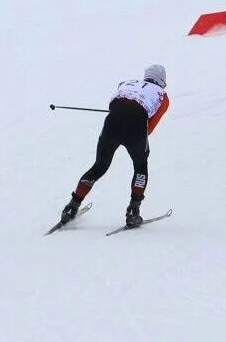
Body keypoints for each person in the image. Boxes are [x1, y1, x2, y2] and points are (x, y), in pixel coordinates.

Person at [59, 65, 168, 229]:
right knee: (140, 166)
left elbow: (115, 102)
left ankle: (71, 207)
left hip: (112, 123)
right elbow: (149, 128)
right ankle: (133, 211)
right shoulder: (162, 96)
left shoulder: (127, 83)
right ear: (162, 81)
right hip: (136, 128)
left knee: (99, 166)